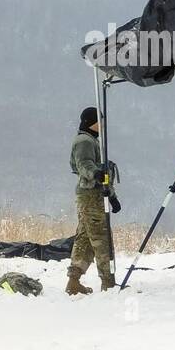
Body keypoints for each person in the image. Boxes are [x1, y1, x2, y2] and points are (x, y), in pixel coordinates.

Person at [66, 106, 113, 295]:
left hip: (92, 195)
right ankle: (108, 282)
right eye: (99, 121)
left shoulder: (90, 139)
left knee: (85, 239)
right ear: (90, 122)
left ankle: (74, 281)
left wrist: (113, 197)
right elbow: (84, 164)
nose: (102, 125)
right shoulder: (84, 141)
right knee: (101, 239)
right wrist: (96, 174)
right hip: (91, 197)